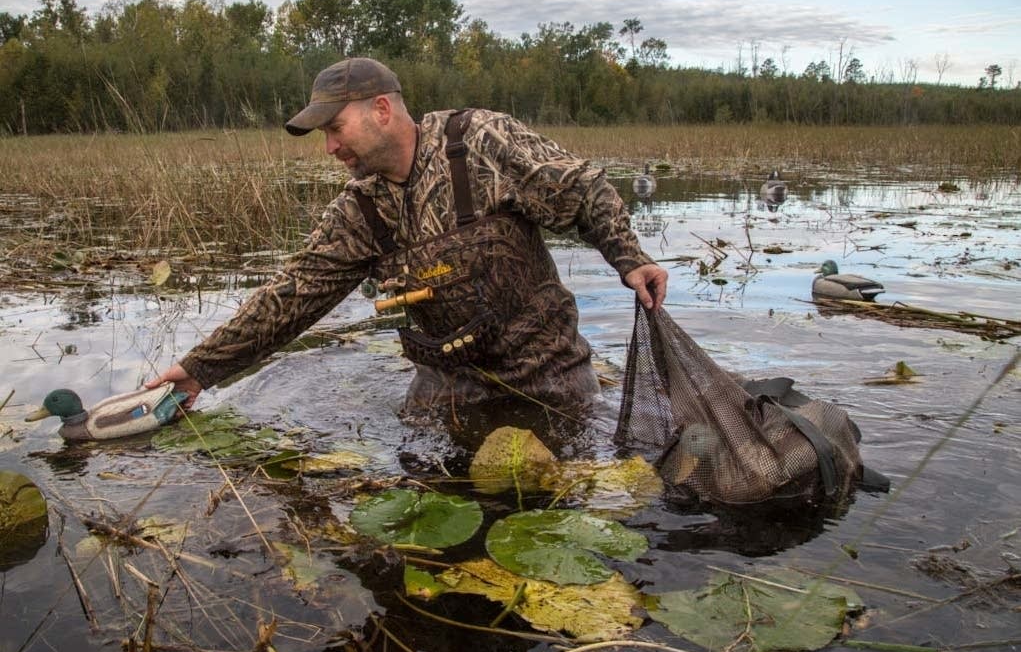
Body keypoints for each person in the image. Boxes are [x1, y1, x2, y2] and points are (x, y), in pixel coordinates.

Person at [146, 57, 668, 445]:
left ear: (380, 110)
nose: (329, 147)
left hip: (550, 384)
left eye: (334, 128)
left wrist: (629, 258)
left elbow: (583, 189)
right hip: (446, 393)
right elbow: (291, 296)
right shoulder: (361, 211)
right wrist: (200, 369)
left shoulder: (479, 141)